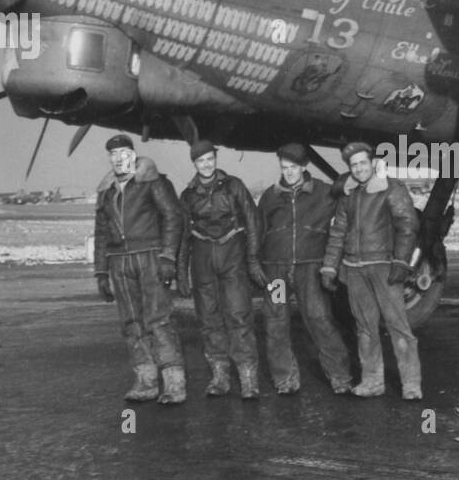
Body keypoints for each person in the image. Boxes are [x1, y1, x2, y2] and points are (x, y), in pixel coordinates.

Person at [321, 142, 422, 400]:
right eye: (354, 165)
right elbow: (338, 232)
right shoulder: (349, 194)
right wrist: (330, 267)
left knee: (398, 326)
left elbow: (407, 225)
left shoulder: (391, 187)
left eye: (362, 163)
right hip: (354, 269)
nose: (359, 169)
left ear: (372, 162)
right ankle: (372, 381)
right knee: (365, 327)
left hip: (383, 267)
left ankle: (411, 384)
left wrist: (401, 262)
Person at [93, 134, 187, 405]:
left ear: (133, 155)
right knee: (131, 323)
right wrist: (101, 271)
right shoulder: (107, 190)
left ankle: (174, 383)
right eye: (113, 154)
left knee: (158, 320)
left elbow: (172, 216)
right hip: (119, 261)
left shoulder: (152, 182)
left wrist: (167, 256)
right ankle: (146, 381)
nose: (118, 158)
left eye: (123, 152)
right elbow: (100, 232)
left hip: (149, 257)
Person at [258, 143, 352, 396]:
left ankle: (340, 377)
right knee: (276, 320)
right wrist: (255, 264)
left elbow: (348, 202)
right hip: (276, 270)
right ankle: (284, 379)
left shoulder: (323, 192)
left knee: (319, 318)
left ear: (303, 167)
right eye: (284, 168)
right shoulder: (270, 196)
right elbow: (258, 231)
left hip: (309, 268)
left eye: (293, 168)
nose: (288, 173)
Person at [178, 139, 267, 399]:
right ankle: (220, 376)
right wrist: (182, 271)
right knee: (208, 319)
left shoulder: (234, 186)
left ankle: (249, 379)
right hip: (203, 258)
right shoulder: (188, 195)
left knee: (240, 315)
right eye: (200, 161)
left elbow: (253, 221)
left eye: (210, 159)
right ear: (194, 164)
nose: (206, 165)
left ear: (215, 160)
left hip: (233, 254)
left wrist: (252, 259)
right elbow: (183, 235)